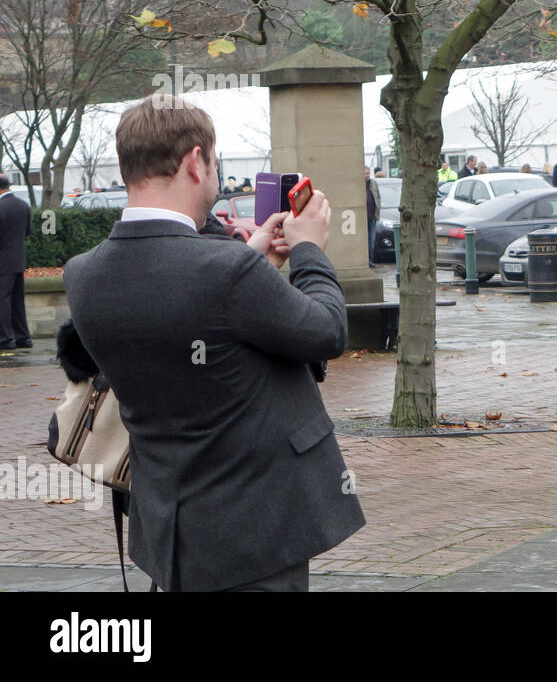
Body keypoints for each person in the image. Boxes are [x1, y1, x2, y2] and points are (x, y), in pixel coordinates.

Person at [62, 98, 365, 591]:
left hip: (171, 531)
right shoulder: (226, 271)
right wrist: (310, 248)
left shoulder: (83, 273)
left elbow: (181, 309)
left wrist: (252, 260)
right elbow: (327, 331)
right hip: (255, 533)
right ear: (194, 161)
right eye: (215, 162)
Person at [0, 176, 32, 350]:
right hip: (18, 260)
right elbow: (27, 232)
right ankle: (23, 337)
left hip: (2, 262)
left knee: (3, 299)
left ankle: (5, 339)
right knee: (18, 299)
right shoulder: (23, 205)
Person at [365, 166, 381, 267]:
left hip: (372, 216)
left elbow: (378, 197)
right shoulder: (359, 184)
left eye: (368, 173)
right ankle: (366, 260)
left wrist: (377, 212)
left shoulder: (373, 183)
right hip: (363, 217)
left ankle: (370, 260)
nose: (367, 175)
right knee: (365, 239)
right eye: (365, 173)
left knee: (372, 239)